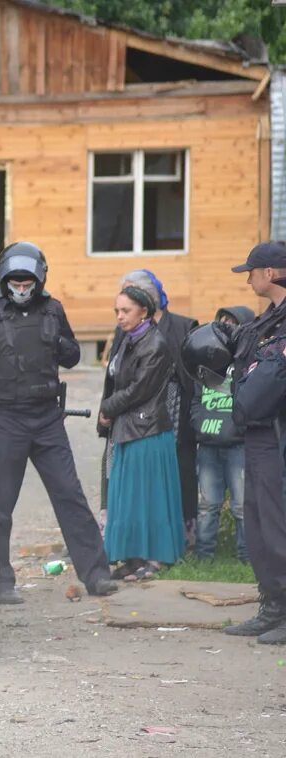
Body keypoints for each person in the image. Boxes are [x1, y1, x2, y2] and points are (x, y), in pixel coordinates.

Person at [0, 242, 117, 605]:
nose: (22, 287)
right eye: (16, 281)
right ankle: (1, 583)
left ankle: (97, 575)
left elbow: (74, 355)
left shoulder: (53, 310)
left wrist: (55, 342)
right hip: (7, 419)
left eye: (28, 281)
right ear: (4, 279)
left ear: (40, 280)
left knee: (70, 496)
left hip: (47, 419)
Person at [219, 241, 286, 640]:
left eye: (252, 271)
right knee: (259, 523)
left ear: (273, 273)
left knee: (277, 523)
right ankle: (272, 606)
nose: (248, 279)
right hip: (257, 432)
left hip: (278, 435)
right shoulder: (267, 320)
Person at [99, 286, 184, 579]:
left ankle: (155, 558)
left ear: (144, 311)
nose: (120, 317)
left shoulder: (155, 343)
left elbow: (139, 389)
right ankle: (133, 558)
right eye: (117, 311)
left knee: (148, 497)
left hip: (147, 429)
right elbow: (117, 380)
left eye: (126, 311)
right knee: (127, 497)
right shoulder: (127, 339)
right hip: (128, 426)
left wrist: (108, 407)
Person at [188, 306, 252, 562]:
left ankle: (246, 556)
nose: (225, 329)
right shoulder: (204, 366)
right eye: (221, 324)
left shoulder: (246, 365)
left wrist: (239, 428)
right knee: (207, 506)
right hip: (208, 447)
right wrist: (198, 424)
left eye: (232, 324)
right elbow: (195, 402)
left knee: (241, 506)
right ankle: (204, 556)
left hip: (238, 447)